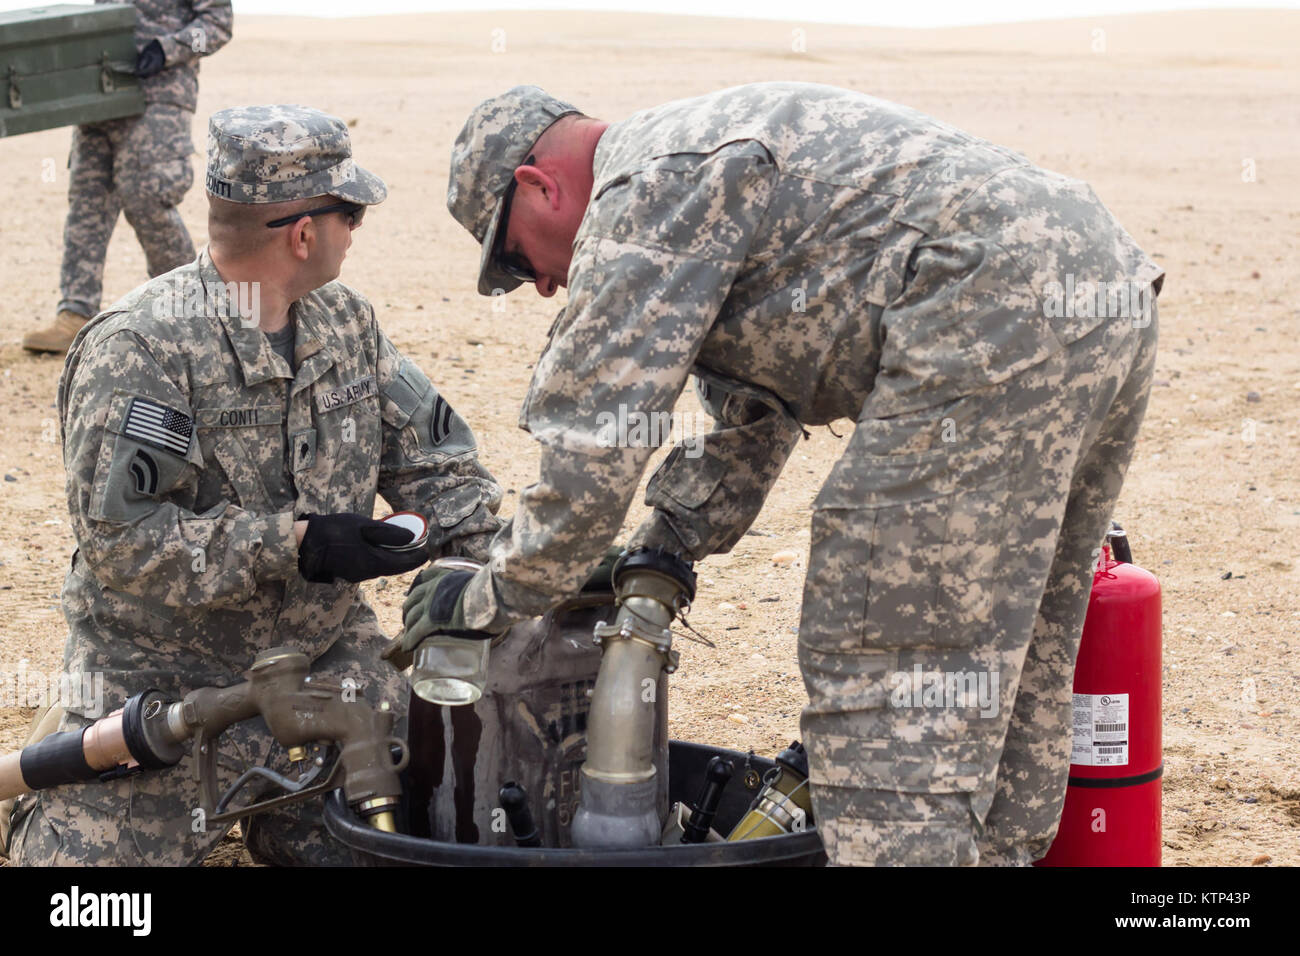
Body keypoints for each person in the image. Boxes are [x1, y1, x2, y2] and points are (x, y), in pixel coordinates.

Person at [398, 82, 1164, 866]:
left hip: (985, 300)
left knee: (883, 670)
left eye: (520, 259)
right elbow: (756, 411)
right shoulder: (705, 166)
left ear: (538, 186)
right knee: (1017, 653)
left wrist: (500, 587)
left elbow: (594, 441)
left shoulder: (641, 193)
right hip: (1100, 285)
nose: (545, 286)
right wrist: (664, 546)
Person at [5, 104, 502, 866]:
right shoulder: (142, 346)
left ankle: (284, 810)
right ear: (304, 233)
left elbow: (441, 468)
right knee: (87, 898)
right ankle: (59, 766)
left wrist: (510, 567)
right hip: (166, 691)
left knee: (451, 828)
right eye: (351, 212)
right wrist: (295, 544)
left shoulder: (347, 323)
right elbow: (124, 547)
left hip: (323, 671)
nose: (356, 229)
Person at [22, 0, 233, 355]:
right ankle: (75, 312)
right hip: (100, 95)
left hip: (158, 97)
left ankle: (192, 311)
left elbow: (217, 28)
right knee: (87, 202)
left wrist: (165, 50)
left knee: (147, 198)